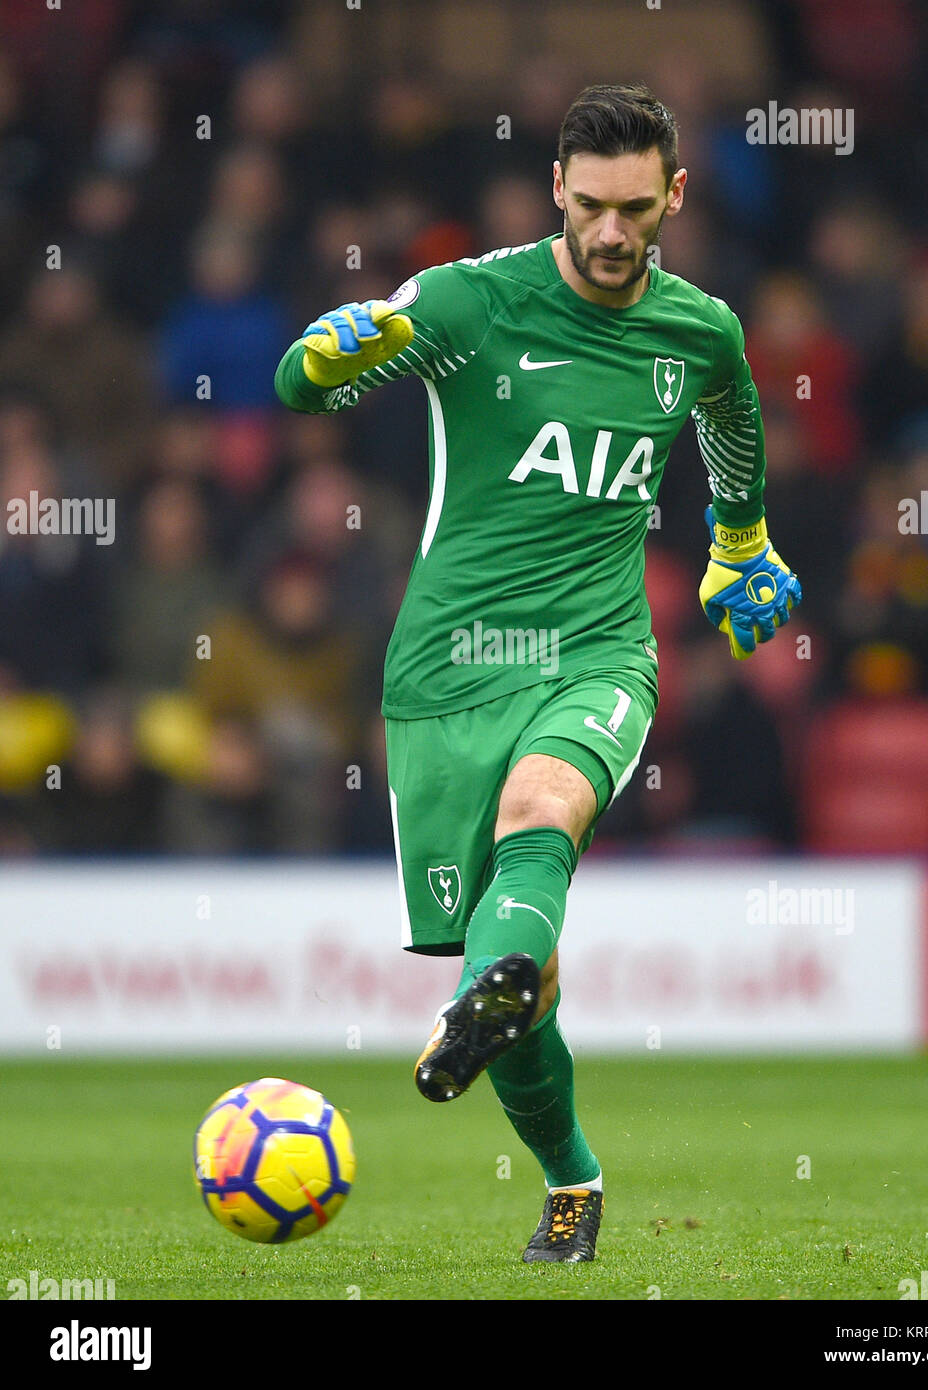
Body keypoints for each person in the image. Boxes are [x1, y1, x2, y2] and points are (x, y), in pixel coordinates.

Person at [274, 83, 801, 1263]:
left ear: (674, 195)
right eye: (590, 205)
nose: (612, 232)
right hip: (448, 668)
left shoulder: (700, 329)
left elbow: (731, 413)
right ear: (555, 188)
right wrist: (318, 358)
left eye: (635, 209)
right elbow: (304, 391)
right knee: (519, 985)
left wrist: (739, 539)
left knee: (541, 808)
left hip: (598, 650)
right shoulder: (466, 301)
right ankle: (570, 1171)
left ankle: (497, 978)